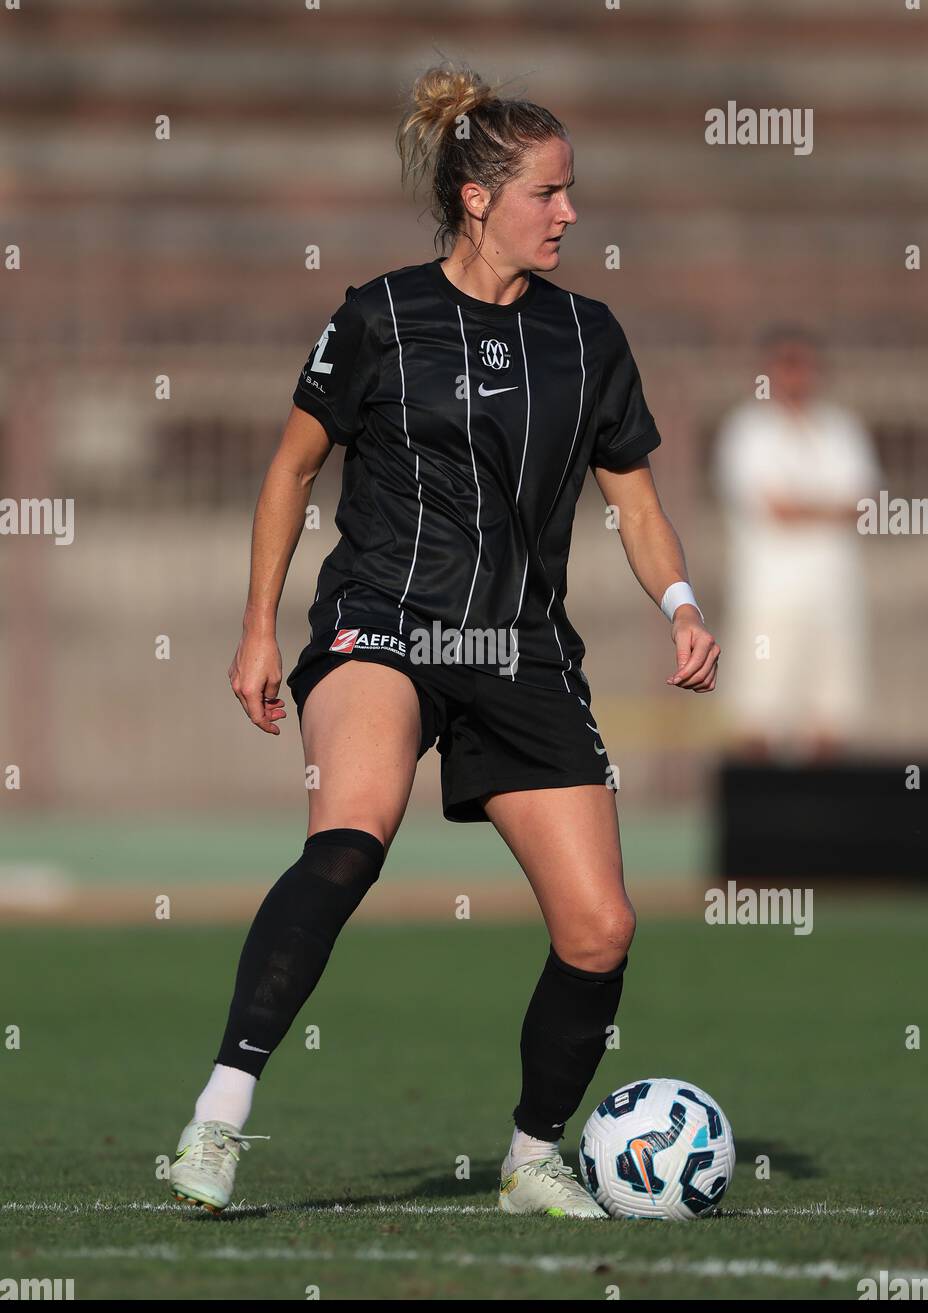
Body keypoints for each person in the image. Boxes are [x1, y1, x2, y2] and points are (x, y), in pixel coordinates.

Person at [168, 62, 719, 1219]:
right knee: (351, 839)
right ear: (477, 197)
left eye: (573, 192)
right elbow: (290, 468)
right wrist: (257, 626)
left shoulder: (590, 334)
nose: (569, 212)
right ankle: (217, 1121)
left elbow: (636, 501)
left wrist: (681, 606)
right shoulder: (379, 314)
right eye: (548, 194)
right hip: (386, 619)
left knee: (601, 925)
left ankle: (529, 1158)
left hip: (519, 646)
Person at [714, 325, 881, 760]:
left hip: (835, 594)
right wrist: (829, 508)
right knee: (758, 718)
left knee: (831, 719)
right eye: (787, 365)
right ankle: (758, 821)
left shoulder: (840, 428)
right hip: (770, 598)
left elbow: (863, 505)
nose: (796, 375)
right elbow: (778, 511)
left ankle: (823, 823)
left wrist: (809, 507)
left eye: (803, 365)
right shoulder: (747, 430)